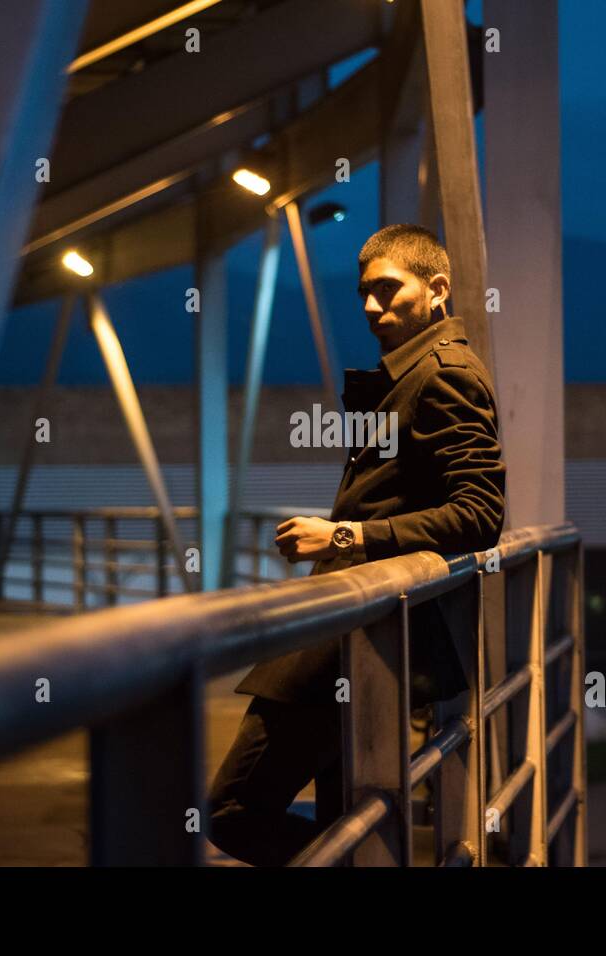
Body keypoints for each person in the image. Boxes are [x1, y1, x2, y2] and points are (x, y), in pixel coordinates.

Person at [206, 224, 506, 866]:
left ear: (438, 290)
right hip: (359, 630)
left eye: (389, 290)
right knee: (350, 815)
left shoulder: (446, 375)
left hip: (356, 636)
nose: (372, 307)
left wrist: (345, 533)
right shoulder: (415, 371)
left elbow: (481, 514)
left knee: (232, 813)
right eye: (365, 293)